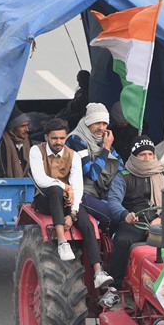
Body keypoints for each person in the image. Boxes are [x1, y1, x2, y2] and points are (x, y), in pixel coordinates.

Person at [28, 118, 113, 289]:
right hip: (45, 198)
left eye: (62, 138)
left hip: (68, 200)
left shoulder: (72, 155)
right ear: (46, 138)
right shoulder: (36, 151)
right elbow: (41, 179)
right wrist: (66, 187)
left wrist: (73, 214)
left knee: (88, 225)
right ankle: (62, 242)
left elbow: (78, 186)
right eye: (54, 138)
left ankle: (98, 272)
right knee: (54, 189)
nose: (58, 142)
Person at [101, 135, 164, 307]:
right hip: (134, 222)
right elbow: (114, 201)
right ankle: (115, 288)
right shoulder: (123, 176)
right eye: (142, 155)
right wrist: (125, 214)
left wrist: (161, 220)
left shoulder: (163, 174)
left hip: (160, 222)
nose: (147, 158)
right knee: (123, 242)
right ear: (134, 156)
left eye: (150, 154)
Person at [65, 103, 124, 233]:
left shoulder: (101, 140)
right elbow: (92, 174)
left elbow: (121, 167)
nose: (101, 128)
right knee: (112, 215)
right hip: (79, 193)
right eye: (97, 123)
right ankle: (103, 242)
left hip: (100, 191)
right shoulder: (76, 139)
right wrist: (106, 149)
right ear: (88, 122)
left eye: (104, 124)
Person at [0, 109, 31, 178]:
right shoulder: (2, 142)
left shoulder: (27, 141)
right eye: (23, 126)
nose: (27, 129)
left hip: (27, 185)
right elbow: (0, 170)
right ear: (13, 128)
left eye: (27, 125)